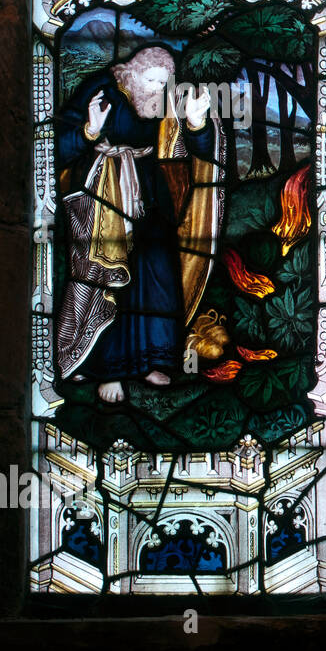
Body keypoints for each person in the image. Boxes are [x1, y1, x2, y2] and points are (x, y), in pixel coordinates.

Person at [55, 46, 218, 403]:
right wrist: (89, 131)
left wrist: (196, 123)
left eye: (164, 83)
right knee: (105, 274)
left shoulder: (171, 99)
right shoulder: (101, 89)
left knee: (158, 269)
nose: (158, 89)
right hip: (104, 192)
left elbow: (203, 149)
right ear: (133, 72)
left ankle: (151, 360)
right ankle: (106, 369)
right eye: (151, 80)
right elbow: (55, 146)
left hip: (152, 193)